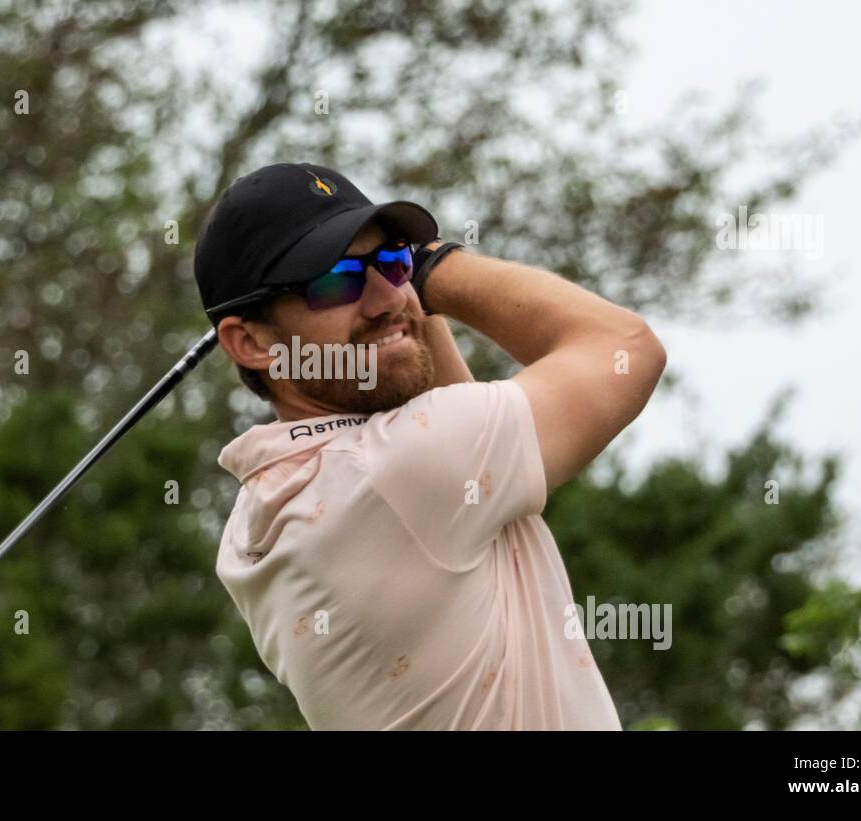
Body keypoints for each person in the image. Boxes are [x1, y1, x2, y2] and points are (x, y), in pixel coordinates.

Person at [193, 162, 666, 730]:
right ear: (249, 342)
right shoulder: (396, 469)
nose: (385, 296)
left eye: (392, 263)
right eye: (333, 280)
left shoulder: (266, 509)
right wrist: (434, 265)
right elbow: (628, 347)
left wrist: (397, 300)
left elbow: (429, 396)